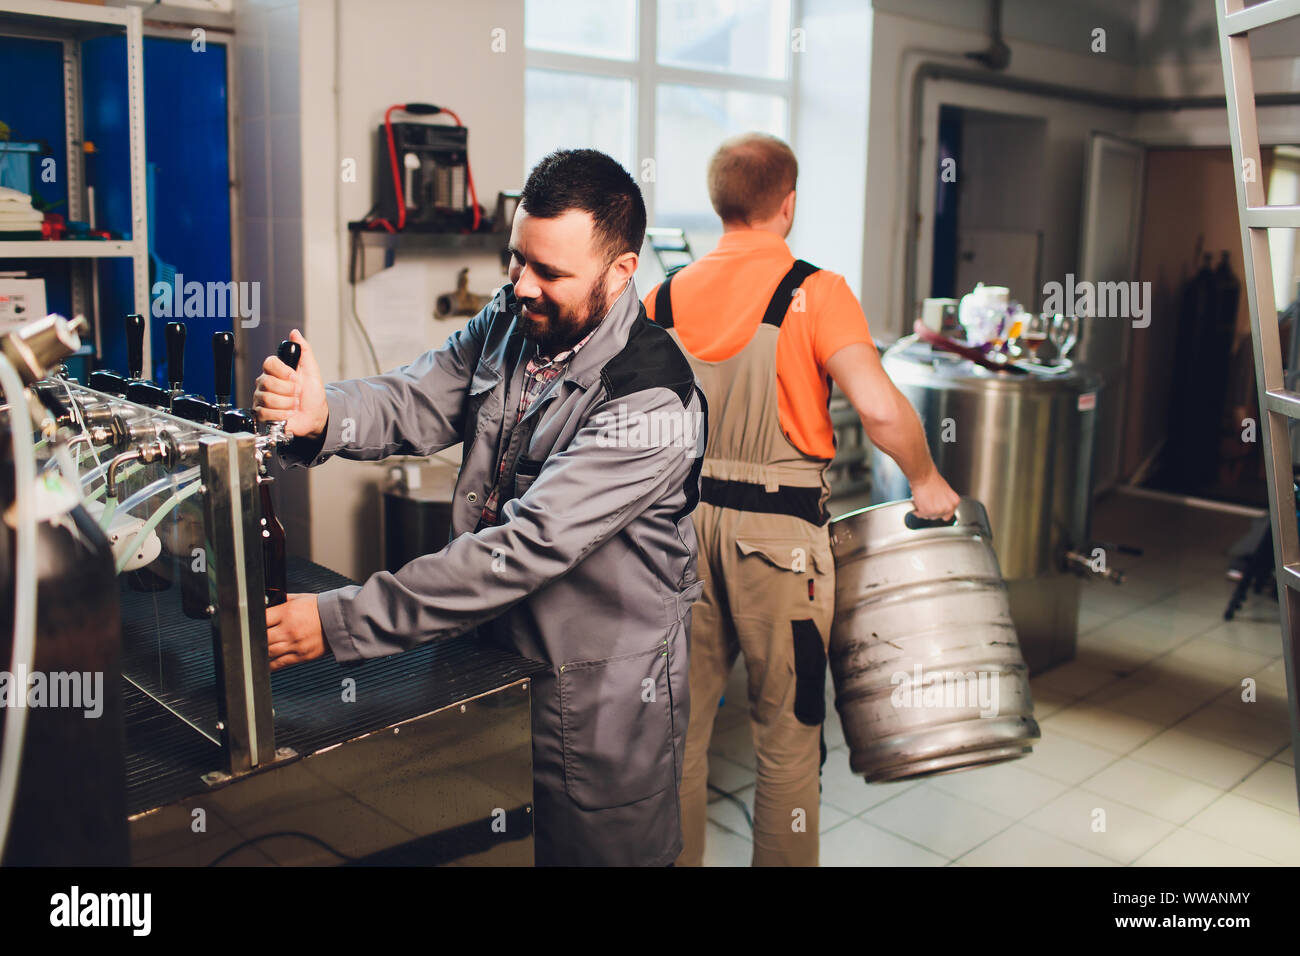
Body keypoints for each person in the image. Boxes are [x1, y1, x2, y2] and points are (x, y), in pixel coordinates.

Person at [253, 149, 706, 867]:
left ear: (621, 274)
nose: (522, 285)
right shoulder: (511, 321)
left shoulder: (649, 404)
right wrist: (323, 412)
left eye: (550, 272)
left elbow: (519, 550)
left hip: (595, 703)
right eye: (515, 260)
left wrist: (338, 621)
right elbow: (417, 398)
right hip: (486, 665)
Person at [644, 132, 959, 867]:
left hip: (676, 533)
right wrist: (926, 480)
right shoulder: (816, 292)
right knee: (788, 737)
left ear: (721, 203)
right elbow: (880, 410)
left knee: (677, 739)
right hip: (779, 547)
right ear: (787, 206)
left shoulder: (660, 297)